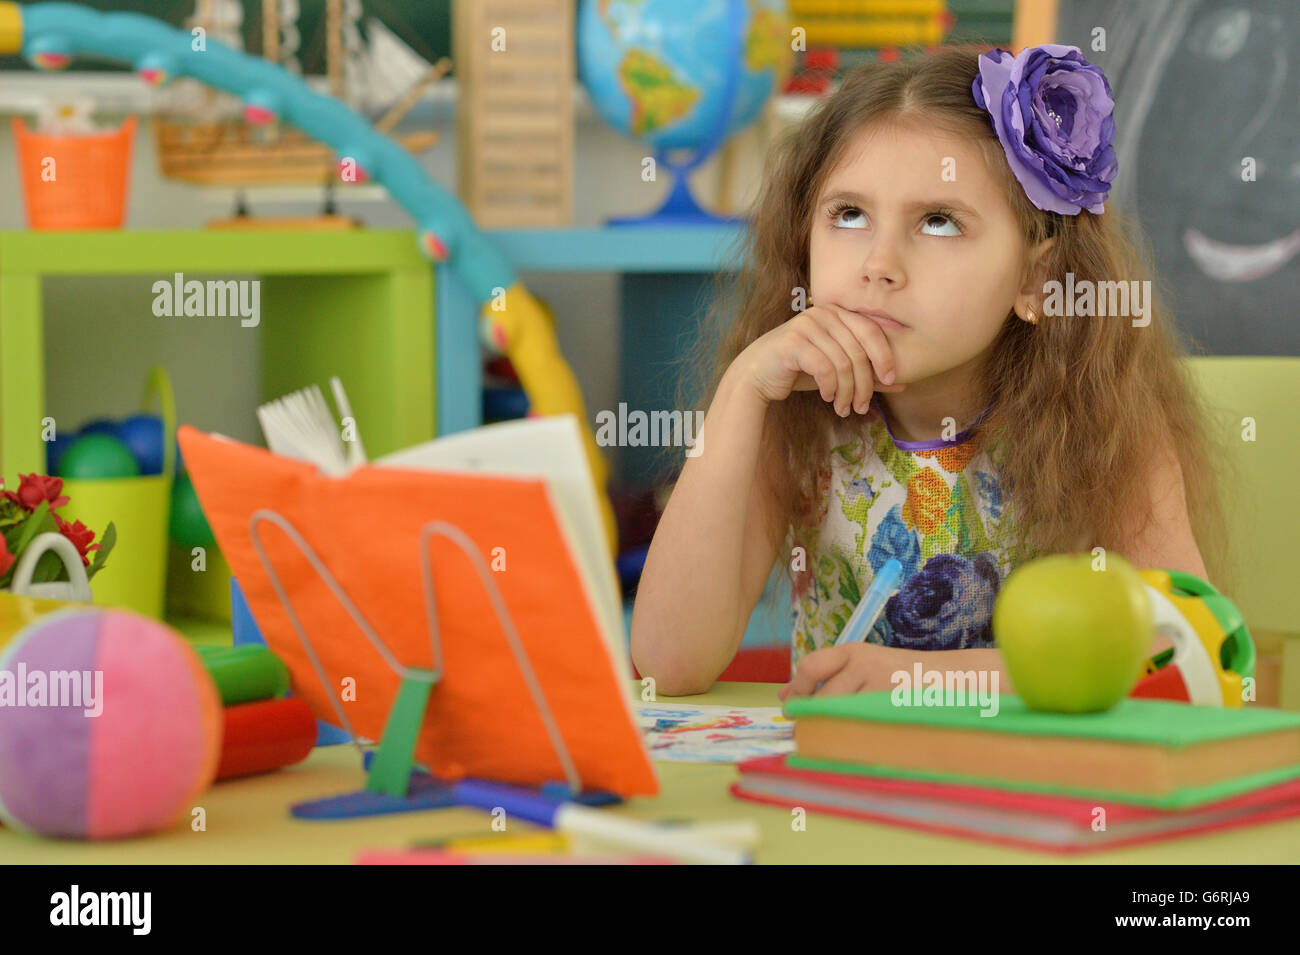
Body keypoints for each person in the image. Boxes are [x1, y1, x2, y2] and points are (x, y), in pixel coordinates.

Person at [631, 45, 1231, 699]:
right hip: (841, 794)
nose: (878, 263)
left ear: (1038, 278)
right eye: (849, 215)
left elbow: (1185, 650)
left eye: (939, 222)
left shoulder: (1102, 421)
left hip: (1034, 790)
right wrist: (741, 389)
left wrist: (919, 679)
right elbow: (669, 661)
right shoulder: (792, 421)